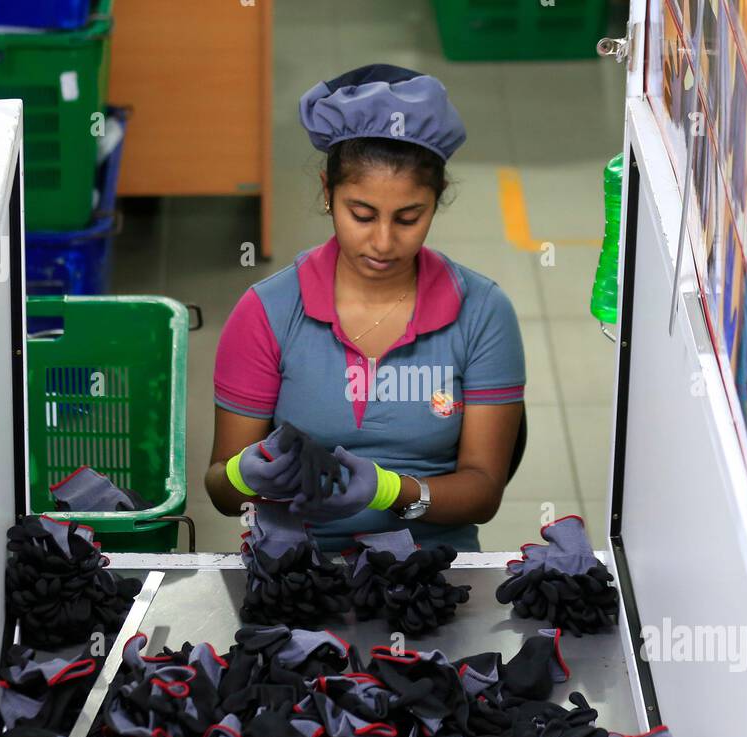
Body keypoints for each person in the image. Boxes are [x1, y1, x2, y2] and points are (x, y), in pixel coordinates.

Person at [205, 64, 525, 554]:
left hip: (431, 566)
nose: (382, 242)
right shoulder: (267, 312)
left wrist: (392, 491)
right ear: (327, 192)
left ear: (436, 202)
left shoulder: (482, 312)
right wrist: (243, 472)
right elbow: (223, 496)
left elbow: (483, 491)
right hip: (298, 566)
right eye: (361, 214)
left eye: (408, 218)